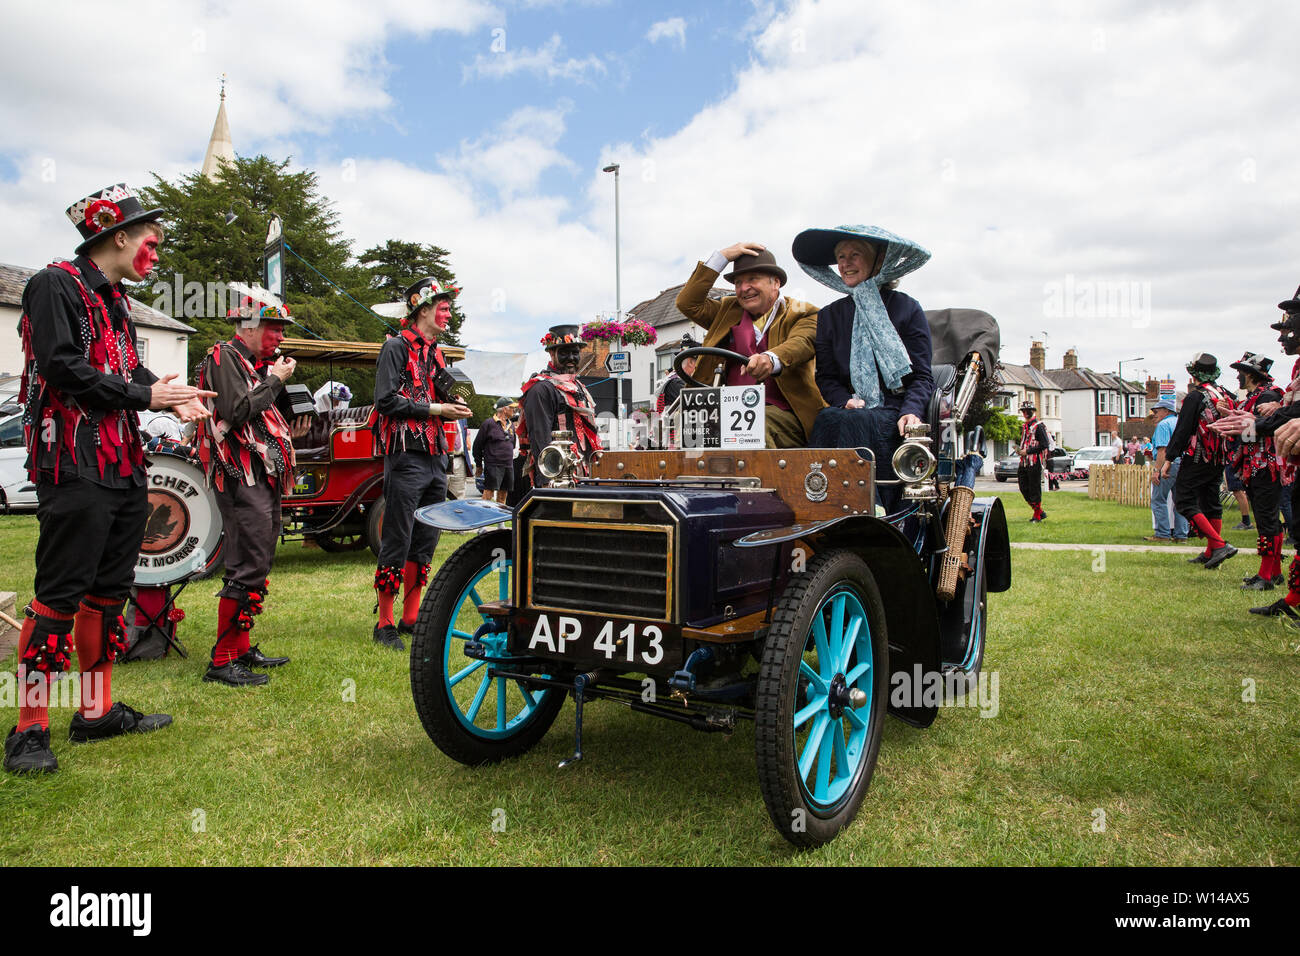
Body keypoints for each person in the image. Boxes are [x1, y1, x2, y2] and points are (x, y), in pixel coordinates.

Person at [5, 183, 213, 774]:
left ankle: (93, 713)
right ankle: (29, 728)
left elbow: (126, 369)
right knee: (60, 593)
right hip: (71, 460)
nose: (157, 250)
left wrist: (171, 399)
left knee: (107, 591)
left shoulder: (117, 300)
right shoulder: (54, 285)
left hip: (122, 461)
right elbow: (64, 366)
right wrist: (148, 393)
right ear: (118, 236)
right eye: (152, 238)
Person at [195, 303, 308, 684]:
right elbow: (236, 410)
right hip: (240, 476)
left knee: (258, 556)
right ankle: (223, 660)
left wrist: (276, 380)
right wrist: (274, 379)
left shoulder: (249, 365)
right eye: (274, 329)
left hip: (260, 476)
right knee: (247, 559)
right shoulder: (223, 357)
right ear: (248, 328)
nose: (279, 337)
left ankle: (240, 649)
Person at [792, 225, 934, 512]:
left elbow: (921, 377)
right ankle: (814, 505)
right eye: (840, 256)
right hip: (850, 407)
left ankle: (874, 509)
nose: (845, 263)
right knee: (828, 419)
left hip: (895, 409)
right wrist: (844, 399)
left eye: (855, 254)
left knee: (860, 422)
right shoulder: (830, 315)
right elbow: (827, 377)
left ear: (878, 260)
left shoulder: (907, 308)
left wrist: (911, 411)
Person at [371, 277, 472, 651]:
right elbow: (384, 401)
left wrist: (454, 408)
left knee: (427, 535)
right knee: (398, 535)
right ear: (423, 309)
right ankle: (383, 623)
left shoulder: (438, 353)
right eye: (442, 307)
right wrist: (436, 409)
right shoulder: (395, 348)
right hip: (405, 454)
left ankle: (411, 617)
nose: (448, 313)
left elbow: (440, 399)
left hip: (435, 455)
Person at [675, 242, 822, 448]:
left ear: (776, 283)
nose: (744, 288)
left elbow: (801, 343)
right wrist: (722, 257)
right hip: (727, 409)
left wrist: (770, 359)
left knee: (754, 428)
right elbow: (687, 303)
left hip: (783, 412)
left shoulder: (803, 313)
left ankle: (756, 481)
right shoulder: (727, 311)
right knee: (693, 434)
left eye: (753, 279)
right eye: (738, 282)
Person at [1163, 353, 1237, 569]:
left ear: (1193, 374)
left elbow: (1183, 430)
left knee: (1184, 500)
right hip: (1219, 456)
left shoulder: (1195, 397)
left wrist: (1169, 458)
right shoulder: (1224, 393)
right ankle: (1211, 552)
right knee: (1210, 502)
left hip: (1198, 456)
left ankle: (1219, 545)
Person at [1225, 353, 1284, 590]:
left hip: (1265, 466)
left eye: (1240, 372)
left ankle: (1266, 576)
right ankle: (1274, 572)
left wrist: (1235, 428)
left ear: (1250, 374)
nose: (1238, 376)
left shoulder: (1267, 396)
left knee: (1267, 521)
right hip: (1257, 466)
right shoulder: (1258, 396)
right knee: (1268, 520)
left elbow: (1263, 430)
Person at [518, 325, 602, 487]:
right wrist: (547, 483)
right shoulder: (540, 389)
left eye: (575, 353)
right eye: (564, 353)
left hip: (584, 474)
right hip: (557, 479)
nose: (571, 358)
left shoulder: (578, 387)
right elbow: (540, 440)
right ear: (551, 353)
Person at [1145, 399, 1189, 543]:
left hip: (1168, 465)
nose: (1154, 414)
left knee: (1158, 499)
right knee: (1179, 501)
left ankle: (1162, 534)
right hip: (1183, 464)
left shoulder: (1163, 425)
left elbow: (1163, 450)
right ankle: (1181, 535)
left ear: (1166, 411)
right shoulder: (1180, 423)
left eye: (1156, 411)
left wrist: (1157, 470)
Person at [474, 397, 517, 504]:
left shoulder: (511, 425)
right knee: (489, 493)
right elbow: (477, 446)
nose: (514, 411)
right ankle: (485, 517)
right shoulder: (488, 424)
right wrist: (479, 465)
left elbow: (513, 444)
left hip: (508, 465)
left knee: (503, 494)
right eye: (512, 408)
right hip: (493, 465)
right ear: (504, 409)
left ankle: (500, 520)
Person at [1016, 401, 1051, 522]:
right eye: (1023, 411)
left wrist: (1028, 451)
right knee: (1023, 487)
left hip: (1034, 461)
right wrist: (1021, 451)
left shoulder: (1039, 426)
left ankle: (1037, 515)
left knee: (1034, 488)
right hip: (1024, 461)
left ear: (1033, 411)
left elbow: (1044, 444)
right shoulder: (1025, 426)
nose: (1025, 413)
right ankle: (1040, 512)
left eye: (1028, 411)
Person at [444, 415, 473, 500]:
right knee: (439, 492)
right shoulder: (441, 414)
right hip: (443, 458)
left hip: (459, 458)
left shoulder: (462, 417)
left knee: (459, 494)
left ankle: (457, 512)